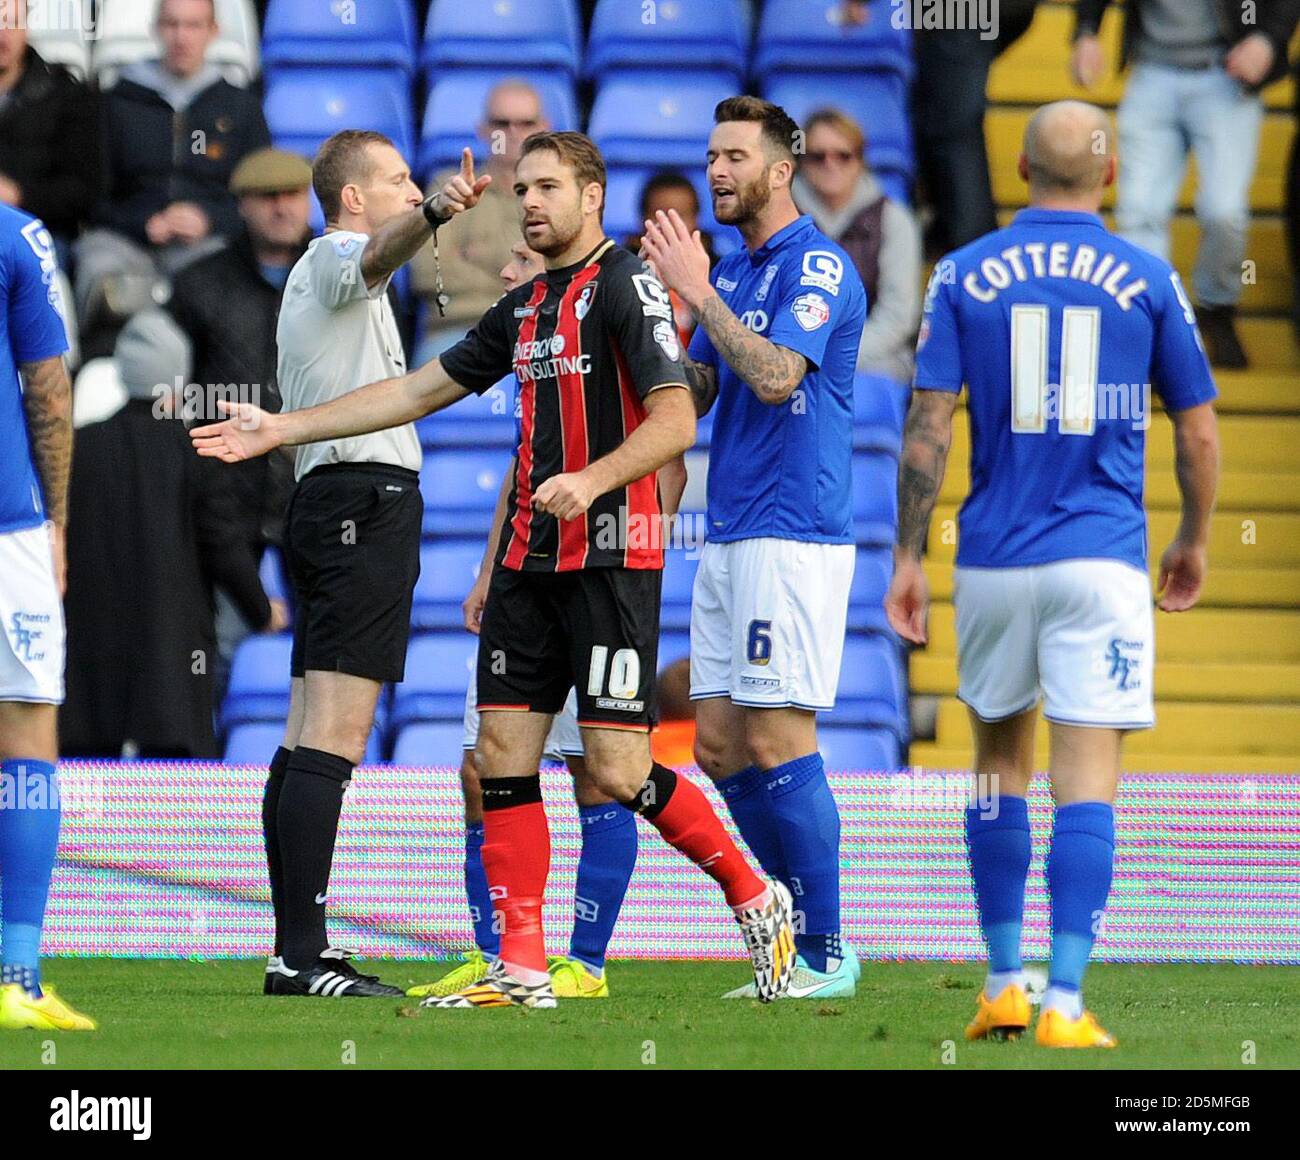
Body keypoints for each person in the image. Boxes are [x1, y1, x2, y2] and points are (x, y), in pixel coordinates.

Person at [192, 130, 797, 1010]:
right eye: (524, 189)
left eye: (550, 186)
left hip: (609, 558)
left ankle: (754, 893)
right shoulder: (523, 309)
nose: (533, 202)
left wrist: (590, 480)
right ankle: (521, 968)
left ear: (593, 197)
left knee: (619, 772)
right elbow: (416, 391)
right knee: (500, 759)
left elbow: (673, 420)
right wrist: (284, 429)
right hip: (526, 561)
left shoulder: (625, 285)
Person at [885, 101, 1220, 1048]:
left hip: (991, 556)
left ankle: (1000, 981)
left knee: (997, 770)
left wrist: (909, 554)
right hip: (1101, 556)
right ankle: (1065, 1001)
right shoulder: (1149, 276)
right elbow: (1196, 428)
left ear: (1021, 170)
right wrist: (1193, 535)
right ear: (1109, 178)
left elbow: (929, 424)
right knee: (1087, 784)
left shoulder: (962, 272)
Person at [231, 130, 488, 1000]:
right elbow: (378, 250)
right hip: (360, 503)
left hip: (329, 500)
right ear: (352, 197)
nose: (412, 187)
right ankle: (301, 958)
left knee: (307, 728)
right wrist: (435, 210)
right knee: (335, 733)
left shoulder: (327, 277)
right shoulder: (339, 253)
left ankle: (295, 947)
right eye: (397, 178)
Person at [642, 96, 866, 1000]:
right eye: (710, 155)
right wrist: (651, 321)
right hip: (732, 529)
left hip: (793, 532)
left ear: (782, 170)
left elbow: (775, 377)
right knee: (722, 749)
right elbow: (701, 388)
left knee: (777, 736)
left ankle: (825, 951)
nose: (717, 172)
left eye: (734, 156)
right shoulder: (735, 269)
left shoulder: (817, 264)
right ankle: (787, 926)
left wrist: (697, 293)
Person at [406, 241, 640, 1003]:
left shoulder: (606, 330)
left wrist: (624, 565)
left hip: (593, 581)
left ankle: (586, 963)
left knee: (599, 777)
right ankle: (500, 955)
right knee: (483, 768)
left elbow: (659, 462)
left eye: (519, 264)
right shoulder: (532, 345)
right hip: (524, 576)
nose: (508, 275)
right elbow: (525, 469)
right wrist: (487, 570)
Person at [61, 311, 276, 759]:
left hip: (89, 661)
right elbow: (224, 546)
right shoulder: (196, 453)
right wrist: (261, 611)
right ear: (178, 384)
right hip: (172, 662)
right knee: (173, 791)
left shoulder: (78, 449)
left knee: (86, 783)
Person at [1071, 0, 1300, 367]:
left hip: (1226, 75)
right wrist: (1086, 31)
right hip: (1151, 72)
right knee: (1139, 212)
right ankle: (1145, 322)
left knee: (1224, 211)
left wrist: (1267, 39)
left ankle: (1217, 307)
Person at [168, 147, 313, 686]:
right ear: (242, 206)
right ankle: (209, 765)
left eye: (292, 195)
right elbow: (178, 392)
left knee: (324, 651)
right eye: (266, 197)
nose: (281, 208)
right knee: (217, 647)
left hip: (313, 481)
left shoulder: (339, 275)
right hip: (226, 485)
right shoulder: (199, 284)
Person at [0, 206, 92, 1031]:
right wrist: (55, 523)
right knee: (24, 734)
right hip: (7, 529)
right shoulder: (18, 234)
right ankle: (15, 977)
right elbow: (48, 386)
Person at [76, 0, 271, 334]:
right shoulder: (116, 101)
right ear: (155, 30)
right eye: (172, 24)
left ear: (214, 32)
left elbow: (258, 196)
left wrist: (208, 218)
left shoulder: (241, 107)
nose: (182, 37)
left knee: (230, 285)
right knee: (98, 271)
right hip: (125, 244)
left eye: (194, 25)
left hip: (209, 245)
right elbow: (90, 196)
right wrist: (144, 223)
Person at [411, 79, 550, 362]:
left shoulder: (555, 196)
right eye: (502, 123)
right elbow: (426, 272)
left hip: (537, 332)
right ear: (484, 130)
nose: (513, 133)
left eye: (525, 123)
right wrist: (520, 269)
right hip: (456, 332)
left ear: (543, 129)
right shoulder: (448, 186)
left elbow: (561, 274)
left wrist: (475, 255)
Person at [793, 108, 922, 384]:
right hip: (790, 354)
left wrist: (832, 355)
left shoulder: (894, 220)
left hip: (872, 358)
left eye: (843, 155)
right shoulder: (778, 217)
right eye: (818, 156)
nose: (831, 164)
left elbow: (898, 316)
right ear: (801, 161)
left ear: (861, 160)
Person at [0, 2, 98, 253]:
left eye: (12, 22)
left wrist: (19, 196)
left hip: (40, 234)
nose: (3, 33)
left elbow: (83, 191)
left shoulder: (66, 96)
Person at [623, 172, 717, 345]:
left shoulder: (718, 273)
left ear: (696, 220)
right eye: (659, 215)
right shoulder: (620, 272)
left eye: (680, 215)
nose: (669, 225)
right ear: (642, 219)